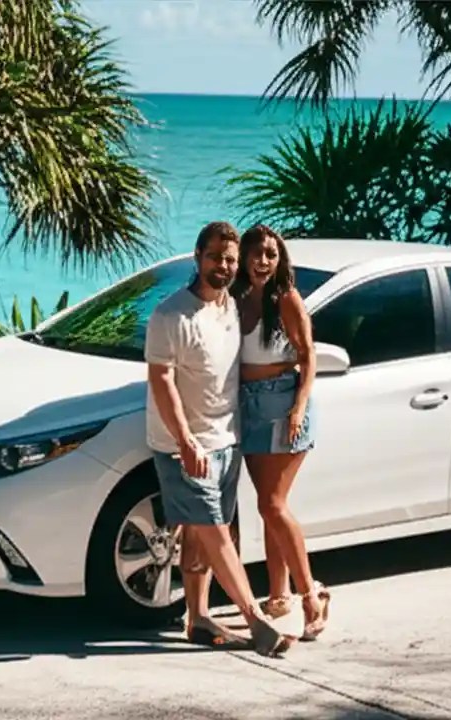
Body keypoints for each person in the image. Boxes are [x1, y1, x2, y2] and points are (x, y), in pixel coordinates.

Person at [145, 220, 297, 658]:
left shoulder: (231, 307)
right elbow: (162, 382)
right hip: (183, 446)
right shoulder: (170, 316)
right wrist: (186, 440)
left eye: (230, 260)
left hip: (226, 438)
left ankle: (197, 616)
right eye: (215, 257)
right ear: (197, 257)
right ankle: (256, 619)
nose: (224, 266)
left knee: (201, 535)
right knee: (215, 531)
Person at [231, 223, 331, 640]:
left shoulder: (286, 299)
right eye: (257, 253)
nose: (264, 261)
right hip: (247, 404)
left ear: (279, 260)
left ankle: (311, 595)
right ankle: (278, 595)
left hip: (283, 403)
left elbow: (309, 358)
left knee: (272, 504)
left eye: (271, 254)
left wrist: (298, 408)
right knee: (268, 505)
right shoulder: (234, 300)